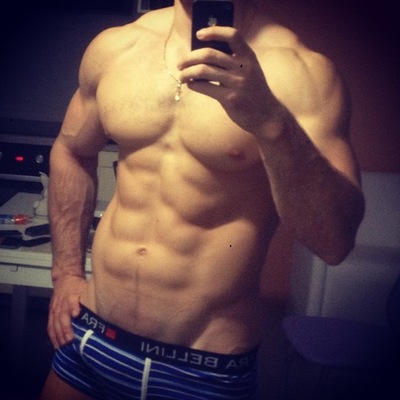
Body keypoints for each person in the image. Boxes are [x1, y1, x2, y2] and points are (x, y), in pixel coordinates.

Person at [40, 1, 365, 399]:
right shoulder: (116, 47)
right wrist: (66, 273)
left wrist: (270, 121)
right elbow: (72, 151)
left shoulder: (304, 73)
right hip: (90, 337)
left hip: (201, 368)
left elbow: (333, 242)